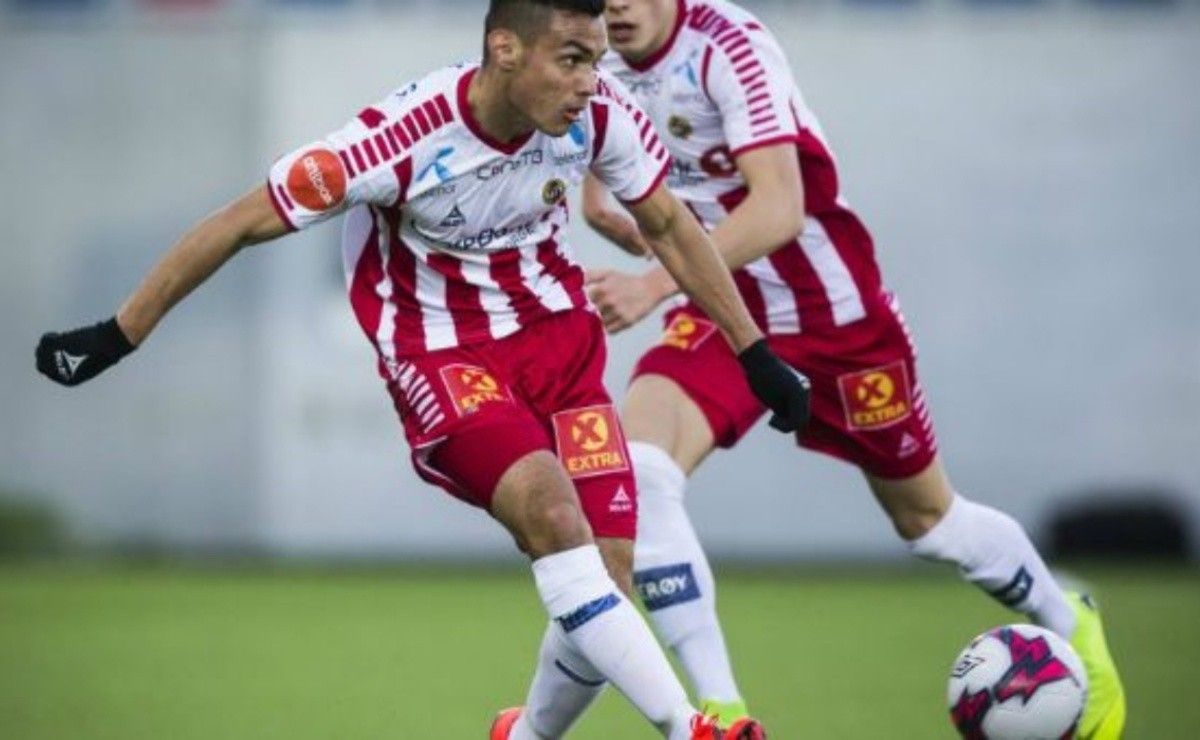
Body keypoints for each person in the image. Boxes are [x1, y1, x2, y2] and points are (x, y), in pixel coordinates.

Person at [34, 1, 809, 738]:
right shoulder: (402, 135)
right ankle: (690, 727)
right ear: (505, 49)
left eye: (597, 61)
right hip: (444, 356)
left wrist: (754, 352)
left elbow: (669, 225)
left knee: (606, 574)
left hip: (561, 351)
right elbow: (240, 221)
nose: (587, 82)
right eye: (570, 59)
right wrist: (118, 333)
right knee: (553, 517)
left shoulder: (599, 113)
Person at [577, 1, 1126, 738]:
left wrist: (652, 283)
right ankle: (721, 712)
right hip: (721, 308)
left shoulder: (728, 48)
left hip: (834, 313)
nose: (616, 4)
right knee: (639, 468)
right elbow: (593, 173)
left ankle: (1068, 618)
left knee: (929, 522)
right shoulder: (596, 61)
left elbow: (779, 207)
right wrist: (608, 212)